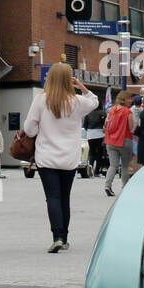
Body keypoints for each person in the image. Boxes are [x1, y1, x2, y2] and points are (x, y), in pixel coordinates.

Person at [23, 62, 97, 252]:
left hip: (46, 157)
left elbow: (29, 129)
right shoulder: (77, 102)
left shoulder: (41, 100)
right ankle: (64, 238)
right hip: (69, 158)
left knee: (53, 198)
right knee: (65, 197)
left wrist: (42, 129)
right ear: (68, 80)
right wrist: (81, 86)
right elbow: (95, 101)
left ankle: (56, 236)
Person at [103, 90, 138, 196]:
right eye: (129, 99)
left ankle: (107, 185)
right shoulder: (127, 112)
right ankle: (125, 186)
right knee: (125, 166)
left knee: (112, 165)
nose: (131, 101)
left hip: (110, 141)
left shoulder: (112, 110)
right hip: (124, 141)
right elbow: (131, 127)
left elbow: (106, 125)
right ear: (124, 99)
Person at [84, 103, 107, 175]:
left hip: (90, 134)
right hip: (99, 133)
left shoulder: (88, 112)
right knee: (99, 153)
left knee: (92, 151)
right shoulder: (102, 112)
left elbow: (85, 125)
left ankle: (90, 166)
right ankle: (97, 171)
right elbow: (105, 124)